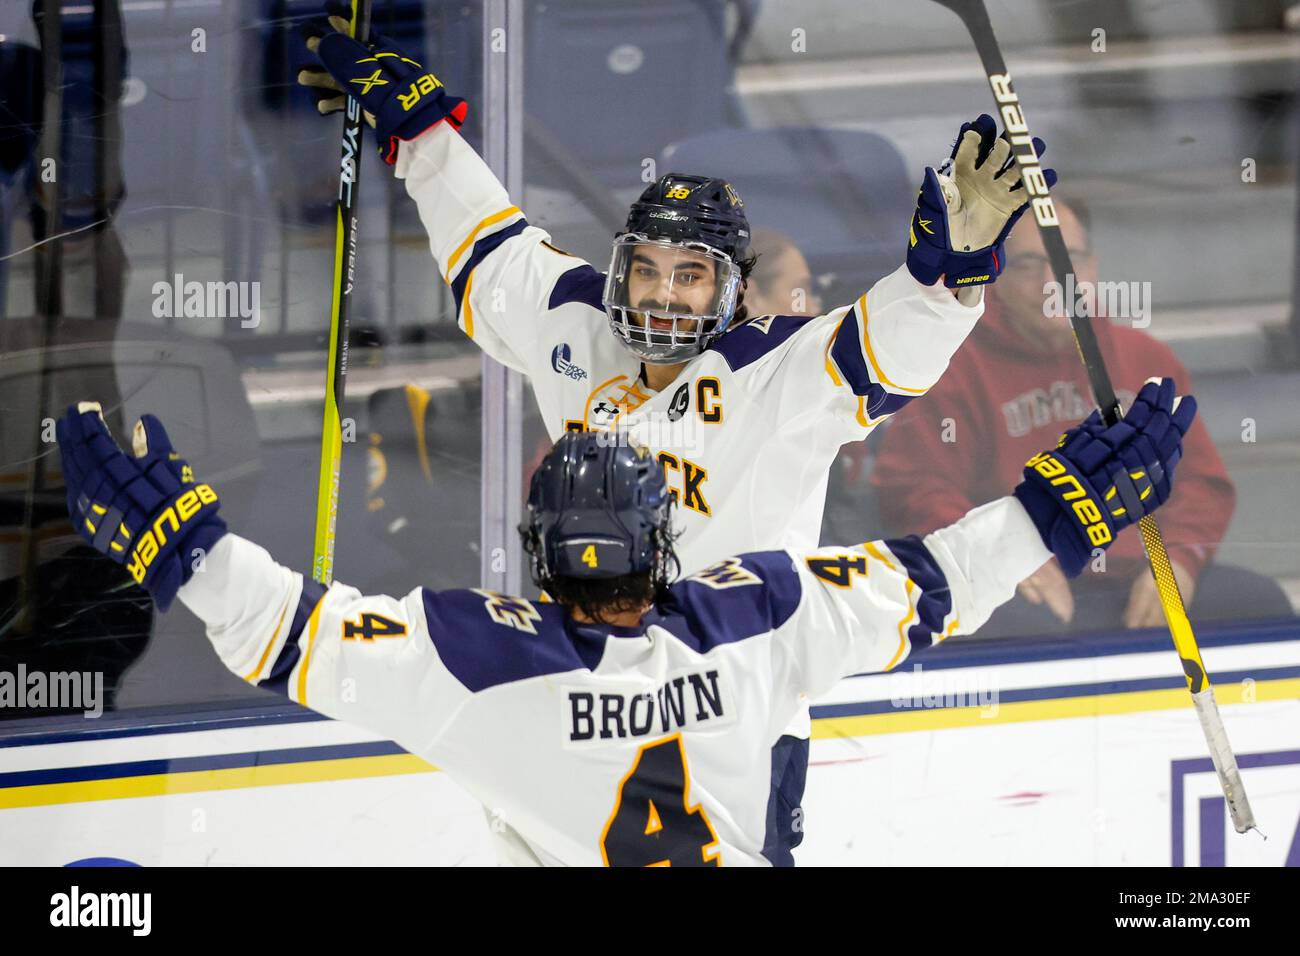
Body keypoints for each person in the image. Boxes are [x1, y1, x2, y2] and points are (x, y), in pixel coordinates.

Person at [294, 6, 1057, 864]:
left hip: (740, 703)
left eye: (691, 276)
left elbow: (886, 349)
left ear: (732, 292)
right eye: (647, 269)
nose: (662, 294)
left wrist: (947, 271)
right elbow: (490, 247)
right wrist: (421, 134)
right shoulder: (576, 323)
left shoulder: (777, 370)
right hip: (583, 690)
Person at [55, 377, 1194, 864]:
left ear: (536, 551)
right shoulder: (764, 611)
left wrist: (183, 544)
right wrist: (1057, 506)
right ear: (662, 543)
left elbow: (286, 633)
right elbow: (939, 578)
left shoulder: (476, 654)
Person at [870, 199, 1290, 634]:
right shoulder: (953, 367)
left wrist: (1178, 562)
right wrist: (997, 556)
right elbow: (915, 488)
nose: (1053, 282)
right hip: (1022, 588)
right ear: (997, 274)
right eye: (1030, 265)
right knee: (1022, 626)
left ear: (1093, 268)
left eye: (1068, 261)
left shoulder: (1143, 358)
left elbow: (1200, 484)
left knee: (1260, 602)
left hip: (1138, 578)